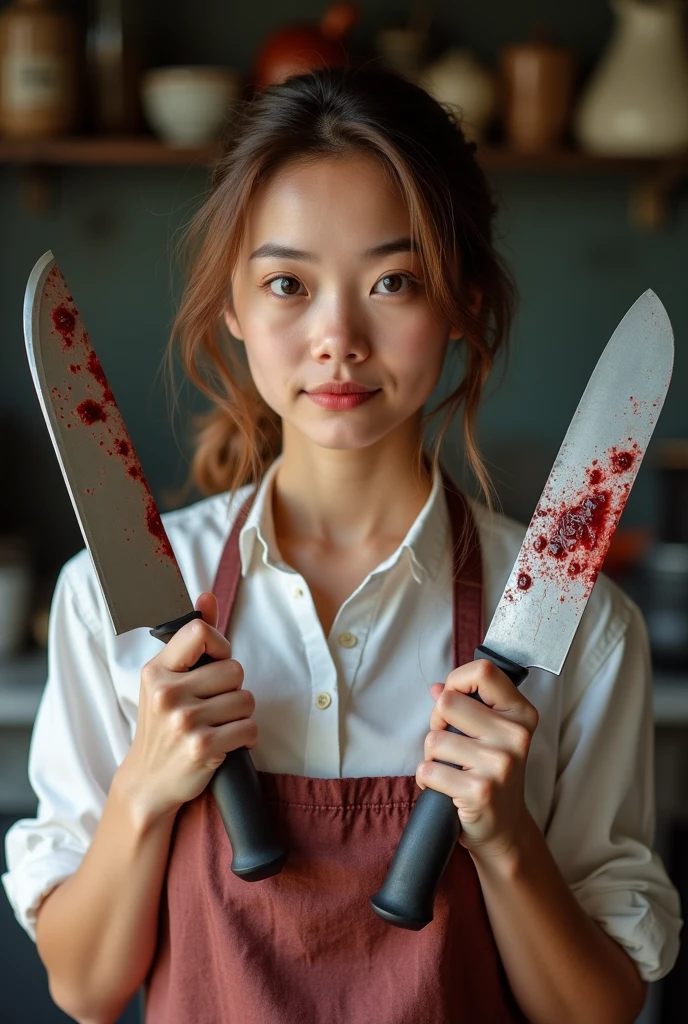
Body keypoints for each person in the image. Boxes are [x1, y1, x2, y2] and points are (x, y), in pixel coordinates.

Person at [2, 64, 681, 1024]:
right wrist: (146, 791)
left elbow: (596, 1012)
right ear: (232, 308)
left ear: (461, 304)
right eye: (287, 282)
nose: (338, 337)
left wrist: (507, 836)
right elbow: (83, 987)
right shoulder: (114, 600)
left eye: (394, 281)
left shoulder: (578, 629)